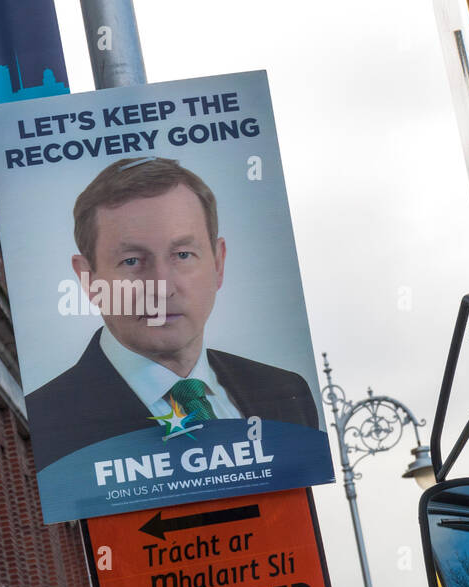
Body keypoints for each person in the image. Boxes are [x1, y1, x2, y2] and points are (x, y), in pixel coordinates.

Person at [26, 156, 318, 469]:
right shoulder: (44, 424)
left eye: (182, 254)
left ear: (218, 264)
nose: (162, 287)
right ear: (89, 279)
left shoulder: (287, 395)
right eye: (132, 261)